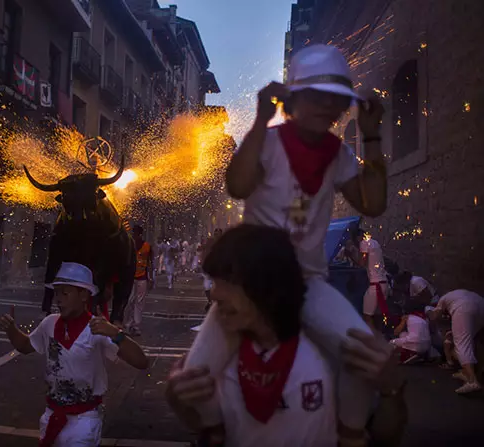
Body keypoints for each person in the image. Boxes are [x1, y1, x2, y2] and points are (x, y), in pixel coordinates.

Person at [188, 44, 388, 446]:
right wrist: (261, 120)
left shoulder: (339, 155)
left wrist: (371, 136)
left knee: (364, 352)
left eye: (335, 100)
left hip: (306, 281)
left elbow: (373, 204)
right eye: (316, 95)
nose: (327, 107)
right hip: (250, 284)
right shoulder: (269, 142)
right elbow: (237, 185)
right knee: (196, 373)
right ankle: (214, 433)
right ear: (292, 100)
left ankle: (350, 436)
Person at [167, 226, 408, 447]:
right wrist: (178, 398)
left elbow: (384, 437)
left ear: (266, 285)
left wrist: (391, 389)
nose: (215, 294)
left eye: (229, 282)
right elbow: (200, 424)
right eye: (214, 282)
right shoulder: (218, 350)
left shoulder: (328, 347)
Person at [0, 262, 148, 447]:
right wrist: (11, 329)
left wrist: (116, 334)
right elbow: (25, 345)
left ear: (84, 295)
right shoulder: (49, 324)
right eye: (57, 293)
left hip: (84, 421)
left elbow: (141, 361)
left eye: (65, 293)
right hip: (51, 415)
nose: (58, 299)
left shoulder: (98, 328)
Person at [428, 290, 484, 394]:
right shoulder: (457, 294)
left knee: (462, 344)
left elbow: (435, 316)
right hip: (481, 306)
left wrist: (429, 313)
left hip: (464, 308)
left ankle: (472, 380)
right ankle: (467, 372)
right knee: (472, 340)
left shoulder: (443, 299)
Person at [122, 226, 153, 336]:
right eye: (133, 234)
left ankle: (136, 325)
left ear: (140, 235)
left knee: (139, 302)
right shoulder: (129, 245)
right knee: (130, 301)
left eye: (136, 234)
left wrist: (150, 277)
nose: (135, 236)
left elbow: (149, 263)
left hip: (142, 278)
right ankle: (127, 324)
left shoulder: (147, 247)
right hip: (130, 277)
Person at [356, 230, 389, 330]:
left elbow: (362, 263)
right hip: (384, 283)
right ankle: (381, 337)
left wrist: (353, 253)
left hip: (375, 286)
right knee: (378, 315)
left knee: (367, 316)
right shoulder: (375, 243)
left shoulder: (364, 243)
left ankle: (373, 340)